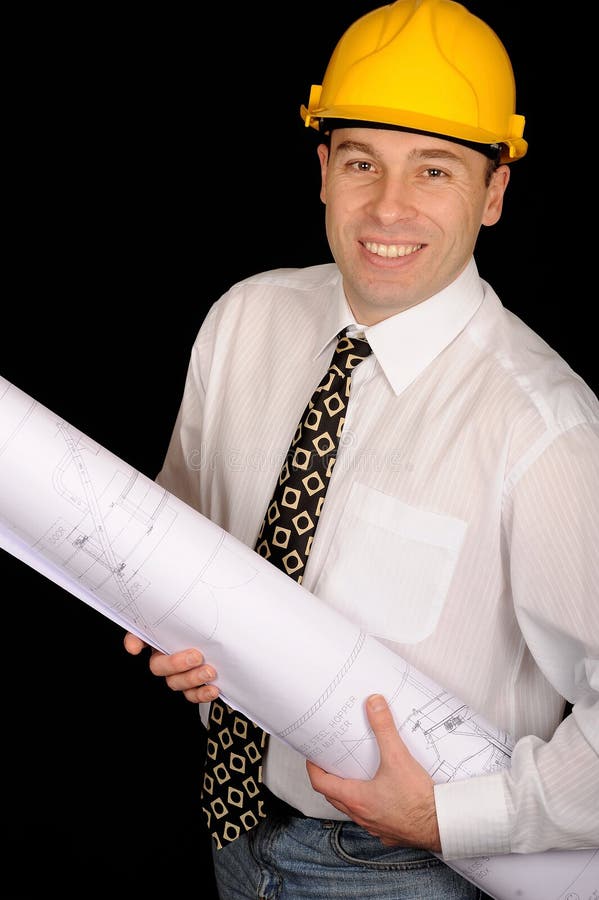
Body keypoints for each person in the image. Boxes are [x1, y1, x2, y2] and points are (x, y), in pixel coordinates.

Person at [124, 0, 599, 897]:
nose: (388, 206)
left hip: (409, 868)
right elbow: (173, 535)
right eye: (360, 163)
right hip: (232, 825)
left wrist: (448, 820)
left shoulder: (542, 427)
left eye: (434, 170)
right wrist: (168, 626)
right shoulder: (245, 321)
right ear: (321, 171)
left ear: (493, 193)